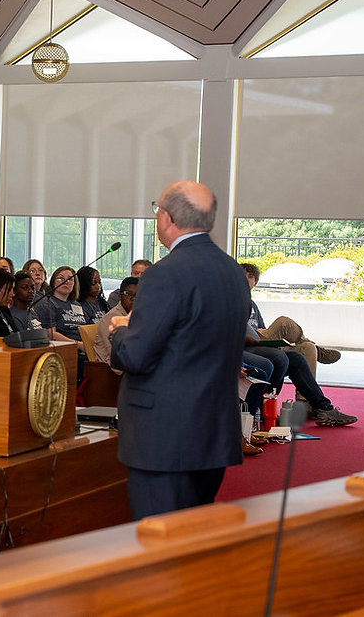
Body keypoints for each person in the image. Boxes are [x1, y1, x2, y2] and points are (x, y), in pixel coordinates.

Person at [109, 180, 251, 520]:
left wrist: (121, 331)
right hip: (212, 429)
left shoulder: (165, 274)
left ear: (166, 217)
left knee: (159, 542)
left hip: (164, 436)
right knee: (192, 537)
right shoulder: (232, 271)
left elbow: (135, 356)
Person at [241, 262, 340, 376]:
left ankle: (305, 394)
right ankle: (319, 351)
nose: (246, 279)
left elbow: (263, 329)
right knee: (283, 322)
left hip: (261, 339)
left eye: (250, 277)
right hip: (248, 342)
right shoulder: (231, 300)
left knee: (308, 348)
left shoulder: (253, 304)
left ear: (255, 282)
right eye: (243, 275)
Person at [95, 276, 137, 369]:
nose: (133, 299)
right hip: (110, 371)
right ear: (120, 296)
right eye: (128, 294)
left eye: (138, 295)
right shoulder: (112, 318)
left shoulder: (138, 315)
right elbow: (116, 356)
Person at [33, 266, 81, 344]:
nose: (66, 282)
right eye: (60, 278)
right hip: (63, 347)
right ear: (53, 282)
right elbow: (50, 334)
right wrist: (78, 344)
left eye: (70, 279)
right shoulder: (47, 303)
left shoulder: (77, 304)